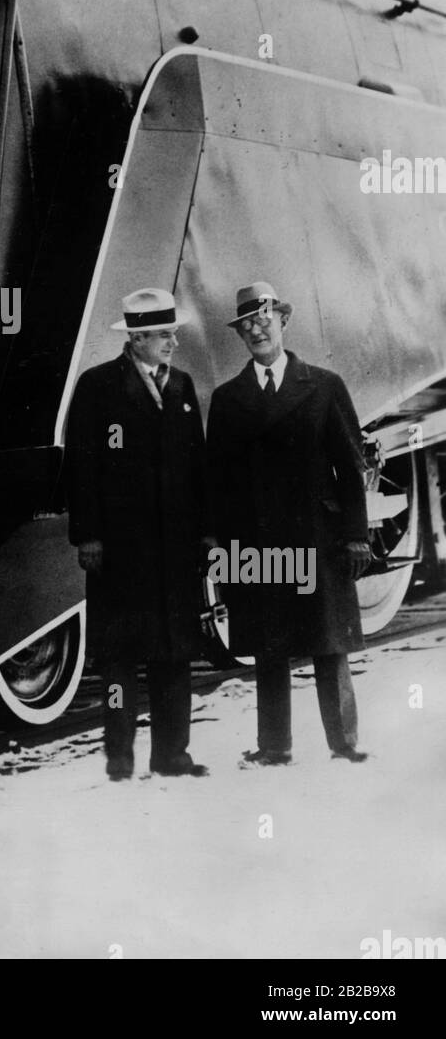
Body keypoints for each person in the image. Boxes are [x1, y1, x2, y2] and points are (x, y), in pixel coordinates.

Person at [206, 281, 372, 767]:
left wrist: (357, 535)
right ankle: (274, 747)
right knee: (268, 645)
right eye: (247, 326)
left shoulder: (323, 385)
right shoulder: (229, 398)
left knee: (327, 642)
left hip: (317, 537)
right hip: (256, 542)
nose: (257, 330)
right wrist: (217, 544)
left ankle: (345, 744)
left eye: (264, 320)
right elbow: (217, 480)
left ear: (283, 322)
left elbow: (350, 467)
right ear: (241, 336)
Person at [65, 287, 211, 781]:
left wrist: (207, 533)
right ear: (137, 339)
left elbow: (198, 465)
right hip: (121, 552)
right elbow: (80, 468)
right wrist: (88, 536)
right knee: (121, 661)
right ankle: (119, 759)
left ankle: (173, 755)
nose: (172, 341)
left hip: (174, 551)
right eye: (163, 334)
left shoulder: (182, 387)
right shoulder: (98, 387)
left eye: (172, 332)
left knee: (175, 654)